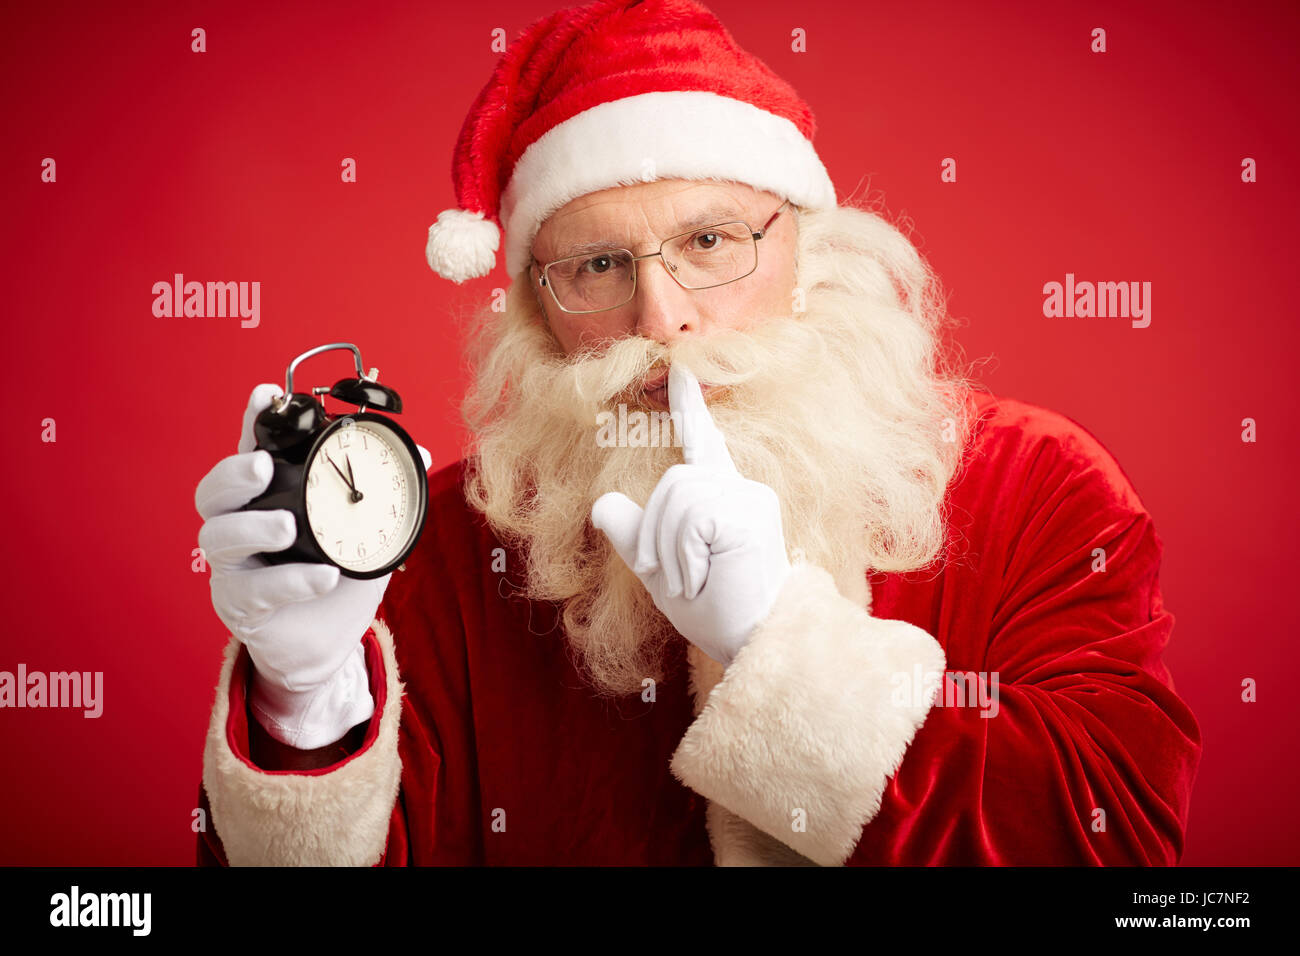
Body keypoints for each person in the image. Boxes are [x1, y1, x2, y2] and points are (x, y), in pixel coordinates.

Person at [193, 0, 1201, 866]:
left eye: (709, 242)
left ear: (804, 247)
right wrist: (307, 705)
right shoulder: (439, 541)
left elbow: (1116, 840)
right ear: (537, 309)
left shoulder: (1036, 485)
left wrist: (777, 645)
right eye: (595, 266)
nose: (660, 316)